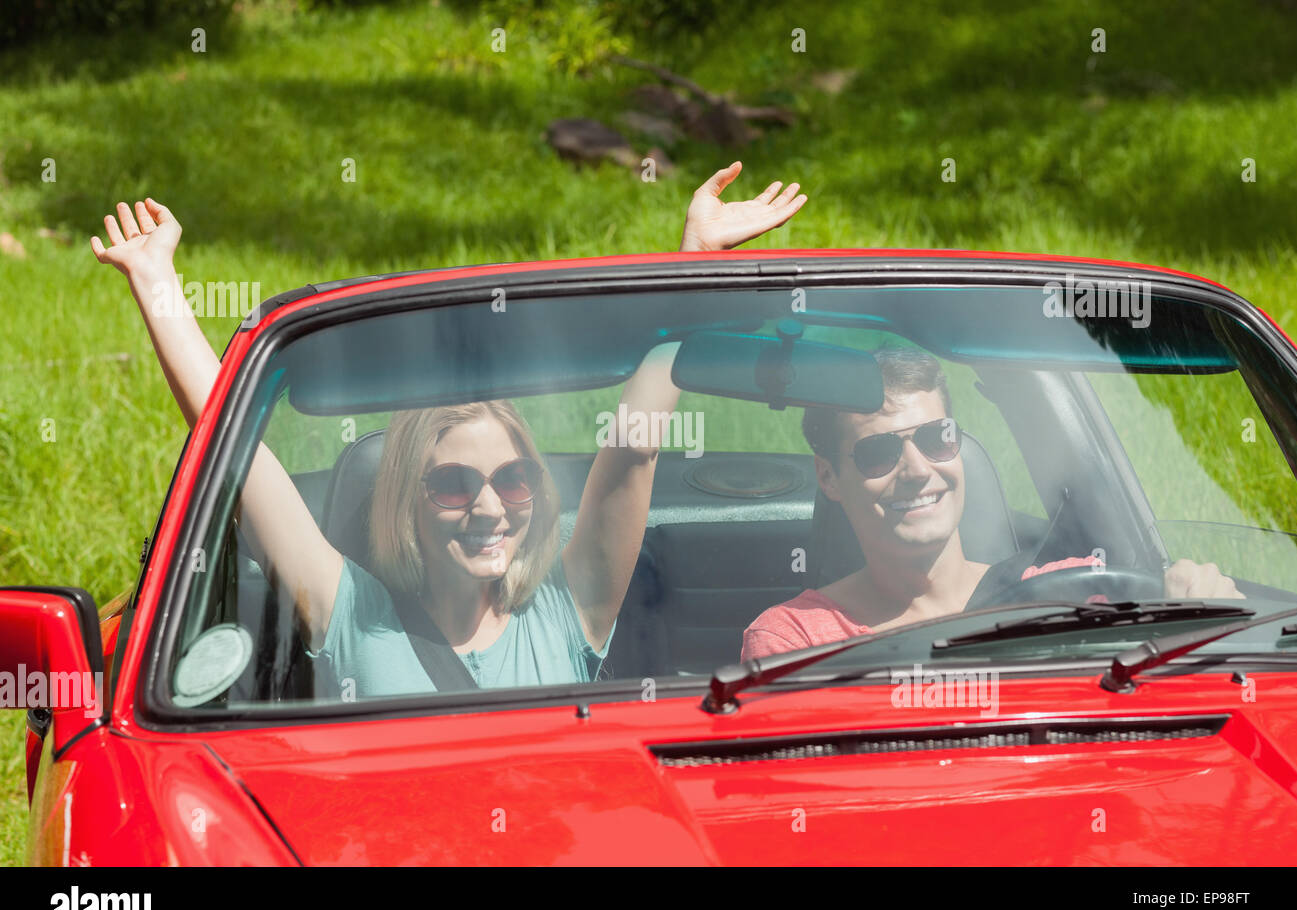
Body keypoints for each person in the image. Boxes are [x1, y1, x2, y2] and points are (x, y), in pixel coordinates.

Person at [91, 162, 808, 695]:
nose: (490, 507)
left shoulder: (566, 607)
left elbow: (633, 450)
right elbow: (239, 458)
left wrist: (694, 265)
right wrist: (157, 283)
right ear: (407, 499)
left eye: (512, 479)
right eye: (453, 487)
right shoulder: (353, 615)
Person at [743, 347, 1244, 661]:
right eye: (880, 452)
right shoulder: (795, 640)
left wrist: (1194, 604)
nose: (918, 470)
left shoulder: (1069, 591)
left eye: (937, 438)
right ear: (829, 476)